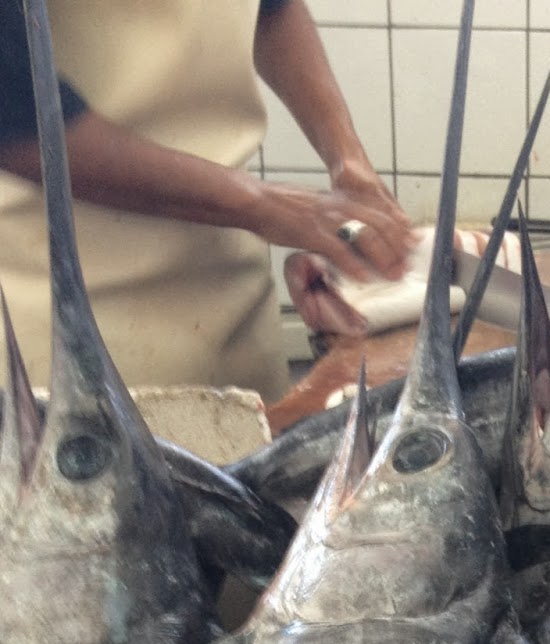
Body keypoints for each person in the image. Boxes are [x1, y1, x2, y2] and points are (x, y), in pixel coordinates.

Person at [0, 0, 414, 401]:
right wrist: (265, 205)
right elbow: (18, 130)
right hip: (69, 334)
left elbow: (274, 10)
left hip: (234, 309)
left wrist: (348, 160)